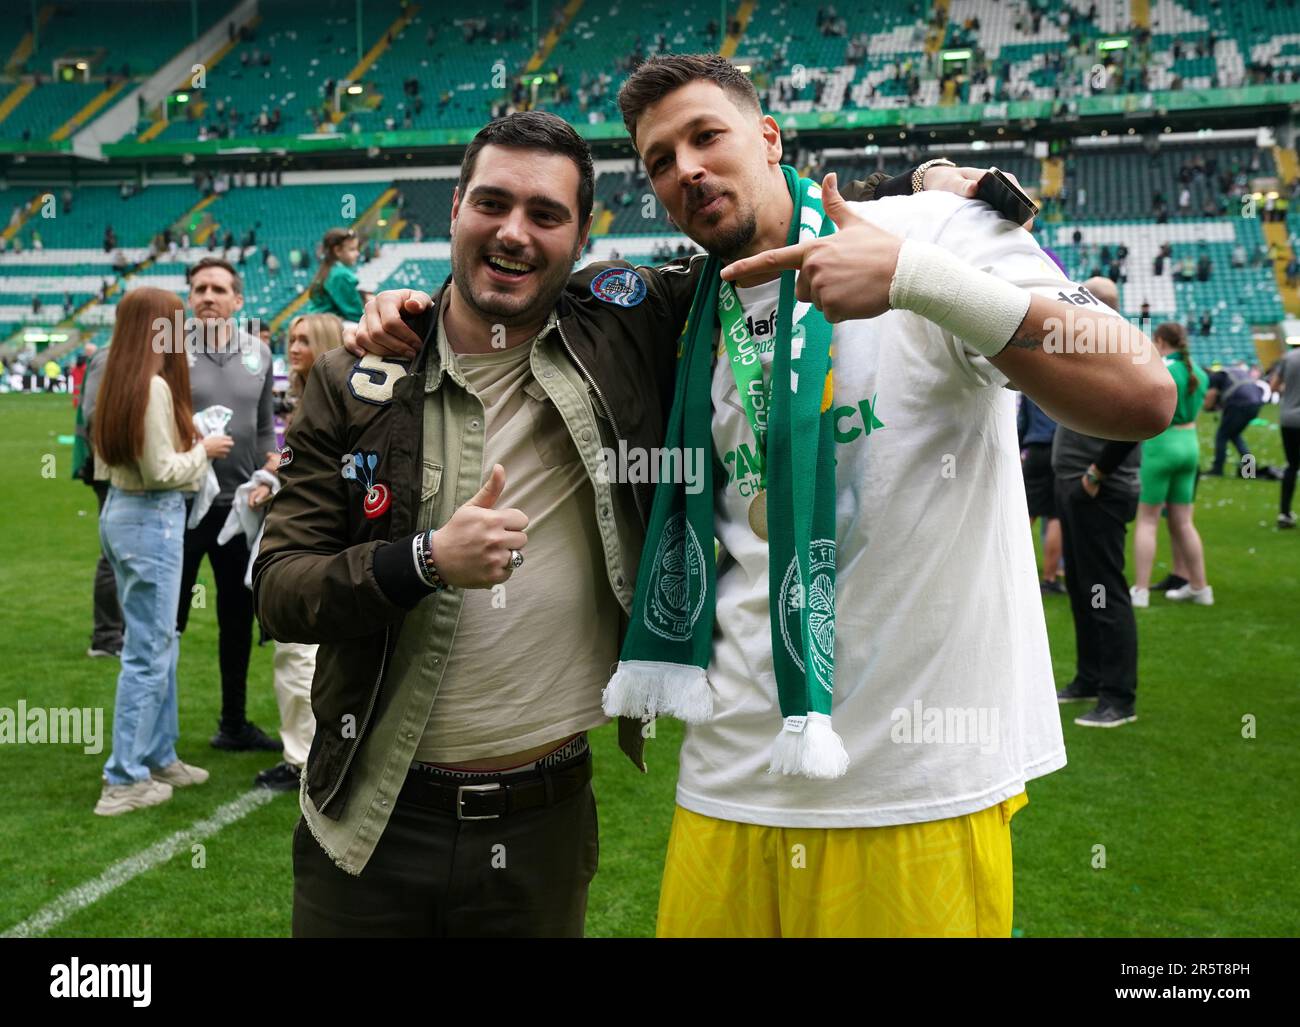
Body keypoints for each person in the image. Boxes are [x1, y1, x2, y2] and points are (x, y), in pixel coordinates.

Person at [596, 56, 1170, 937]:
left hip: (910, 787)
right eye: (660, 161)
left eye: (705, 135)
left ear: (768, 135)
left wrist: (914, 278)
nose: (686, 170)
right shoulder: (691, 310)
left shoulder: (934, 232)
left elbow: (1141, 384)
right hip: (727, 776)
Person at [91, 287, 233, 815]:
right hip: (151, 518)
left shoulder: (119, 380)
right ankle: (124, 779)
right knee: (148, 652)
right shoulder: (149, 386)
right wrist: (204, 451)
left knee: (159, 640)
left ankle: (157, 753)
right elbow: (161, 473)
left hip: (125, 517)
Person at [176, 257, 282, 752]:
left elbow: (264, 427)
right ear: (189, 299)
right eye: (199, 289)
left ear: (238, 300)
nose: (208, 297)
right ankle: (158, 735)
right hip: (179, 504)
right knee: (168, 619)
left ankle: (233, 724)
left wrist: (270, 468)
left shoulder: (259, 353)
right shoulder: (172, 352)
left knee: (237, 619)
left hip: (238, 507)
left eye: (219, 289)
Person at [247, 313, 345, 791]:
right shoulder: (303, 397)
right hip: (307, 537)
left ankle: (302, 758)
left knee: (297, 651)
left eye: (305, 340)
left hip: (316, 545)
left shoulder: (327, 398)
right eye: (292, 338)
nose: (294, 347)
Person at [1052, 276, 1145, 727]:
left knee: (1106, 589)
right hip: (1076, 483)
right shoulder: (1091, 343)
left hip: (1099, 489)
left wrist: (1097, 472)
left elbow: (1141, 414)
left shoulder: (1120, 345)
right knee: (1082, 586)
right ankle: (1089, 678)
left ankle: (1118, 698)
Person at [1130, 323, 1212, 607]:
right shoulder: (1198, 373)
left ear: (1161, 341)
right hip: (1190, 444)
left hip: (1162, 446)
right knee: (1184, 521)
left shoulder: (1163, 370)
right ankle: (1201, 587)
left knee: (1148, 520)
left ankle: (1140, 590)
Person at [76, 342, 125, 658]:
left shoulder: (124, 354)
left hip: (120, 469)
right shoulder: (110, 357)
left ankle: (117, 632)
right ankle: (106, 637)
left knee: (122, 553)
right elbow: (94, 414)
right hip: (110, 471)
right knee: (113, 554)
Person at [1018, 393, 1064, 592]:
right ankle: (1050, 578)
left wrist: (1018, 449)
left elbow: (1021, 422)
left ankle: (1014, 570)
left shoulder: (1031, 381)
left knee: (1025, 513)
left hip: (1035, 449)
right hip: (1059, 449)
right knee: (1056, 516)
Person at [1205, 361, 1266, 476]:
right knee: (1234, 434)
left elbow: (1210, 398)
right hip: (1256, 403)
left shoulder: (1214, 377)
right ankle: (1249, 470)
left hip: (1239, 404)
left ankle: (1217, 469)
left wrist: (1207, 408)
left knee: (1222, 435)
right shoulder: (1231, 371)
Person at [302, 227, 371, 324]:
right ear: (337, 250)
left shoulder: (327, 270)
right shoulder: (340, 274)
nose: (357, 253)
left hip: (316, 324)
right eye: (352, 249)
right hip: (326, 326)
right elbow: (353, 313)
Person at [1270, 339, 1300, 528]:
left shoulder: (1288, 357)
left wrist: (1289, 392)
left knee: (1292, 466)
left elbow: (1274, 386)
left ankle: (1284, 513)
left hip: (1289, 419)